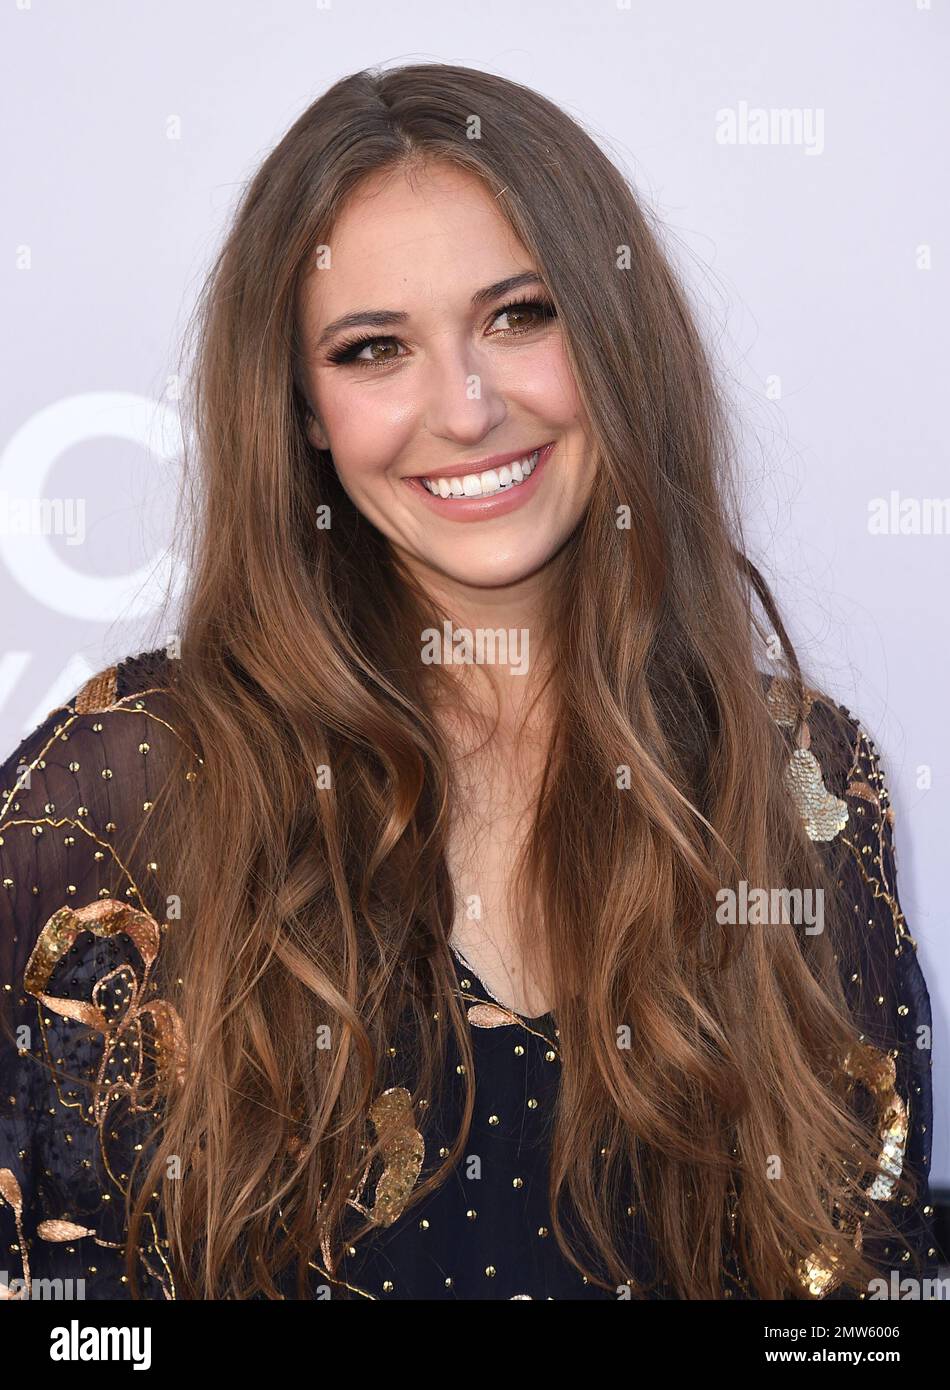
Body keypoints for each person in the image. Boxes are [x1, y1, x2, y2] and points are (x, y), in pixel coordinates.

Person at [0, 63, 937, 1302]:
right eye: (373, 348)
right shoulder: (121, 790)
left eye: (519, 315)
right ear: (305, 415)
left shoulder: (800, 779)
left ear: (612, 339)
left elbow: (860, 1291)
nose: (466, 406)